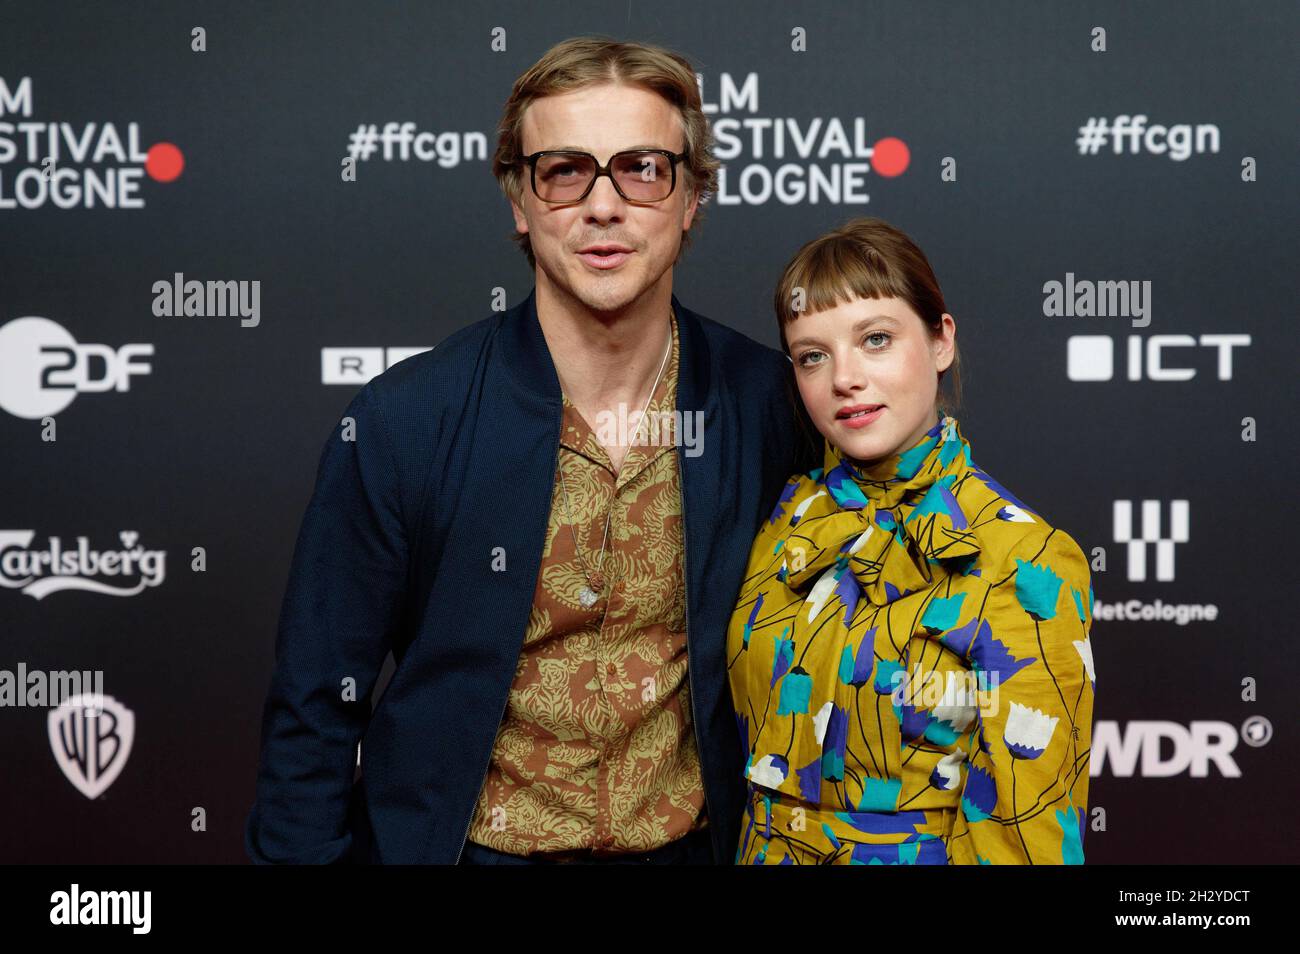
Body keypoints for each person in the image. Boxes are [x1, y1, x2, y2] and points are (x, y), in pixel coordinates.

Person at [243, 36, 818, 865]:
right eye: (564, 171)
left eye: (643, 168)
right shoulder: (405, 421)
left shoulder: (773, 407)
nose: (604, 205)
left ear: (691, 196)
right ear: (520, 200)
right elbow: (314, 709)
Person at [726, 217, 1096, 864]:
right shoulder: (782, 519)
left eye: (875, 340)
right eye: (813, 355)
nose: (844, 377)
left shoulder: (1024, 558)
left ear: (940, 340)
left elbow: (1023, 833)